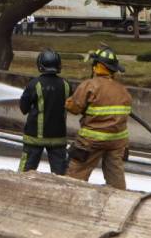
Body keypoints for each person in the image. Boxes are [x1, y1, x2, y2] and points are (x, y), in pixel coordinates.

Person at [65, 44, 132, 190]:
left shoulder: (89, 85)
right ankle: (119, 202)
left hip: (91, 141)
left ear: (97, 66)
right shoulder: (123, 90)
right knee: (116, 178)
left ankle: (69, 203)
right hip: (117, 142)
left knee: (75, 176)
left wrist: (68, 101)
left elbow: (75, 108)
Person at [18, 49, 72, 175]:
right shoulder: (66, 85)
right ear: (58, 65)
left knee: (25, 173)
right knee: (61, 175)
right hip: (58, 138)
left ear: (40, 65)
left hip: (34, 138)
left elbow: (23, 109)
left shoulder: (34, 84)